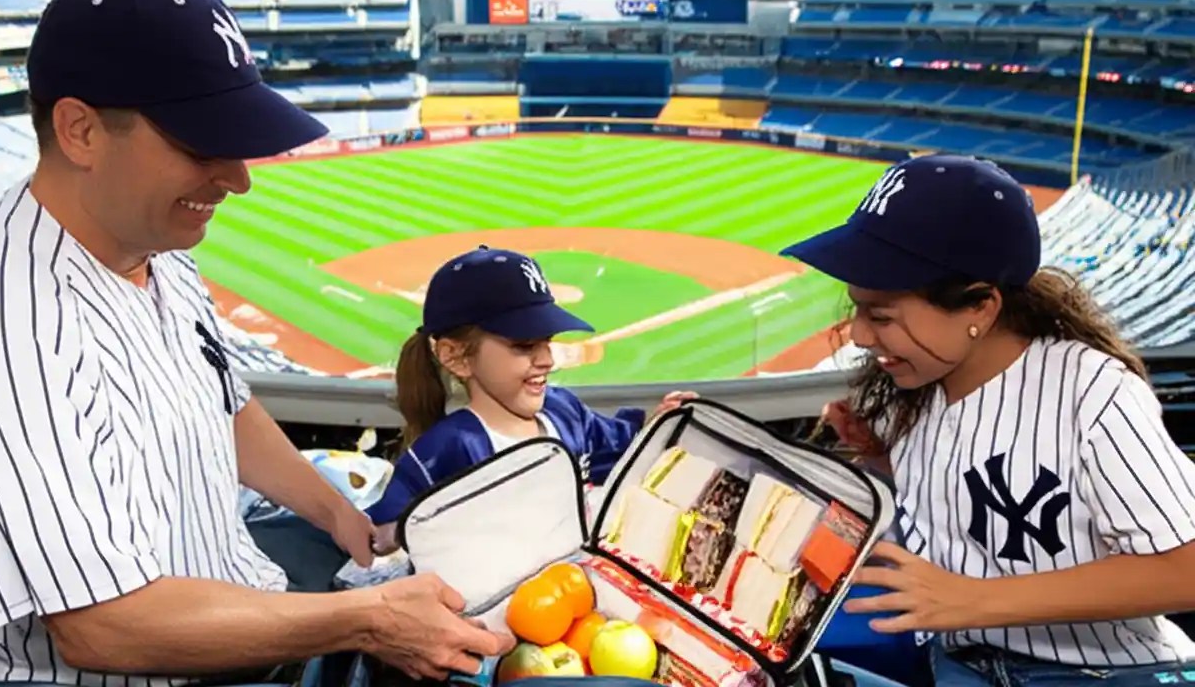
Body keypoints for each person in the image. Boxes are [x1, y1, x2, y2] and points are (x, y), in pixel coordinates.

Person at [0, 0, 512, 684]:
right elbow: (104, 627)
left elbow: (221, 403)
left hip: (230, 605)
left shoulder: (150, 246)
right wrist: (372, 617)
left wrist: (337, 514)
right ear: (80, 130)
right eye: (203, 144)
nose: (238, 178)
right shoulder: (3, 325)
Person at [782, 154, 1195, 684]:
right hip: (959, 667)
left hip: (1100, 674)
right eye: (858, 308)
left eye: (881, 315)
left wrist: (973, 599)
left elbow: (1185, 570)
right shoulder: (917, 383)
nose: (860, 335)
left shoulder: (1091, 390)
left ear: (980, 307)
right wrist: (882, 457)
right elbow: (981, 498)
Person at [367, 246, 694, 550]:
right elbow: (383, 533)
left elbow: (622, 447)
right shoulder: (450, 448)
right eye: (524, 346)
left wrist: (660, 422)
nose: (547, 360)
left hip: (575, 593)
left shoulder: (563, 411)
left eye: (547, 341)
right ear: (456, 357)